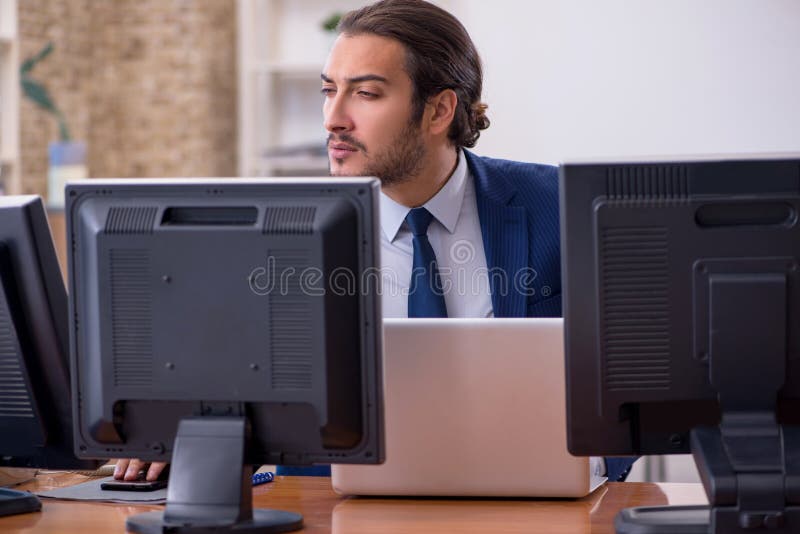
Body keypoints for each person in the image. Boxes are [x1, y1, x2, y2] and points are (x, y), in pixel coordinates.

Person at [115, 0, 635, 483]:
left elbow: (634, 389)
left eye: (365, 93)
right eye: (328, 90)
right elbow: (237, 389)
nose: (333, 118)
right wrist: (195, 428)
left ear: (439, 111)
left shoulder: (564, 206)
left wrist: (579, 468)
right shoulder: (276, 234)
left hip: (526, 505)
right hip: (338, 512)